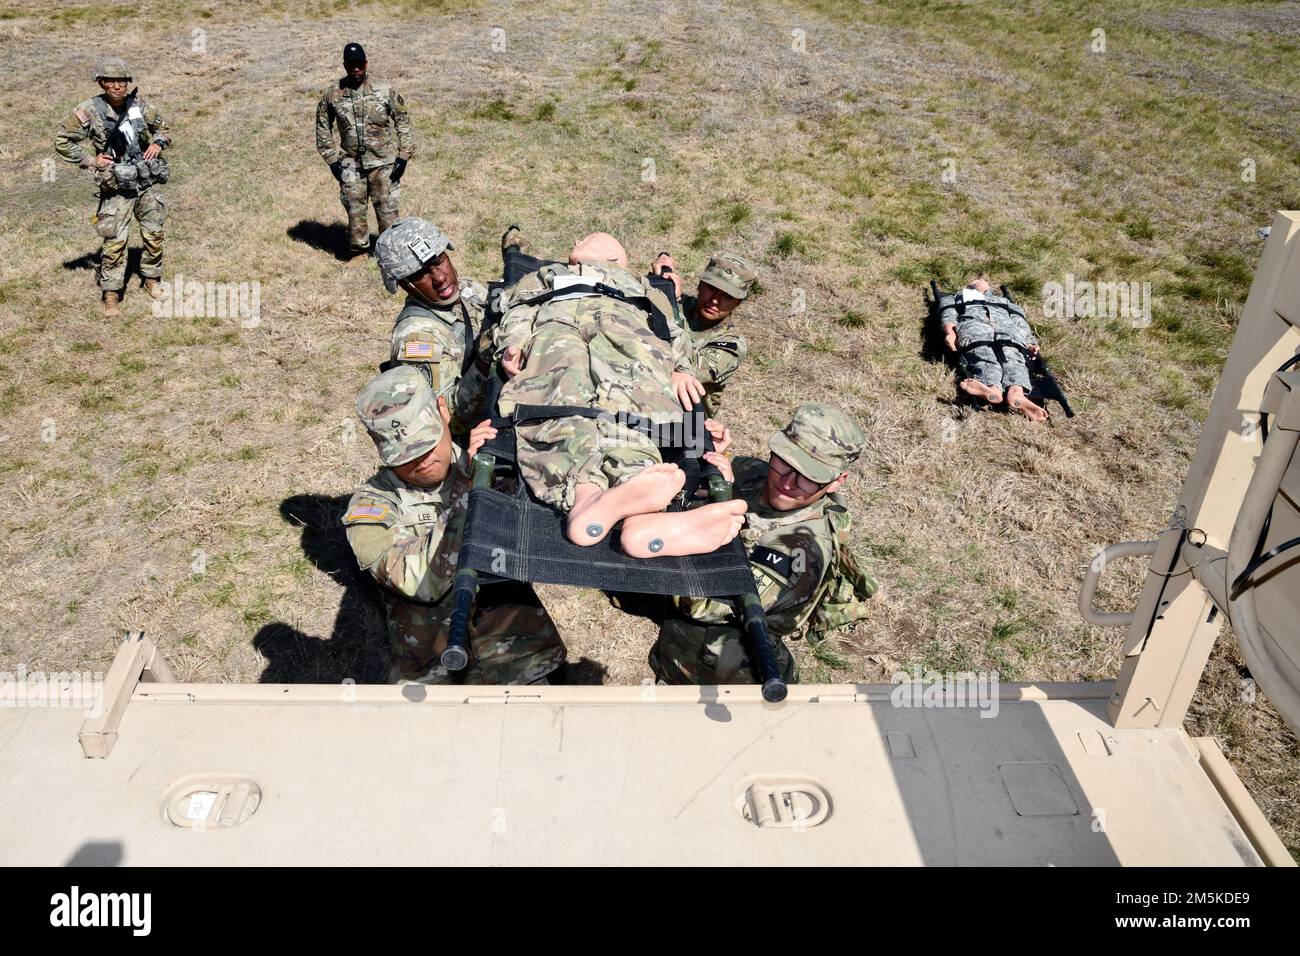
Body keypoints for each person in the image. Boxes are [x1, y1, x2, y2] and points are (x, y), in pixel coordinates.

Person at [492, 231, 748, 557]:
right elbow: (518, 310)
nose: (575, 242)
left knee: (639, 407)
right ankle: (590, 499)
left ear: (615, 258)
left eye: (583, 240)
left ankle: (637, 518)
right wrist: (513, 343)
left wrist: (680, 367)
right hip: (558, 328)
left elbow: (669, 330)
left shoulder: (640, 285)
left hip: (629, 336)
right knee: (559, 395)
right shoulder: (546, 275)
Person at [344, 365, 566, 684]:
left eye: (426, 443)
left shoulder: (491, 461)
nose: (421, 462)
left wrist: (509, 458)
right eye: (403, 456)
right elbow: (418, 582)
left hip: (522, 657)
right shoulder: (371, 508)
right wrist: (477, 490)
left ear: (442, 410)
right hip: (435, 676)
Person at [650, 402, 879, 684]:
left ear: (836, 482)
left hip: (730, 683)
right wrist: (702, 454)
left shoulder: (802, 551)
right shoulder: (753, 472)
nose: (788, 482)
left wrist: (712, 506)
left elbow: (700, 601)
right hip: (681, 653)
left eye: (809, 476)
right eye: (786, 461)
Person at [54, 56, 171, 317]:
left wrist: (158, 142)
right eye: (111, 81)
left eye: (122, 81)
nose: (118, 86)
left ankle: (152, 278)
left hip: (145, 182)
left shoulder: (139, 104)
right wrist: (89, 160)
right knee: (115, 241)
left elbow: (163, 128)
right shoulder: (89, 110)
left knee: (154, 234)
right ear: (102, 83)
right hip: (116, 185)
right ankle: (111, 293)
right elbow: (62, 140)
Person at [374, 218, 490, 437]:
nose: (439, 278)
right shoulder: (418, 341)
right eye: (420, 275)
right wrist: (486, 359)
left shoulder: (467, 290)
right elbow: (448, 419)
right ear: (403, 284)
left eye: (439, 261)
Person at [315, 42, 414, 258]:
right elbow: (323, 126)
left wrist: (403, 156)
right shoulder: (333, 93)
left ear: (366, 64)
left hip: (384, 163)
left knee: (387, 210)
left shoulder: (384, 90)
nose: (356, 69)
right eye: (351, 65)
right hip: (351, 164)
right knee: (354, 211)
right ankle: (359, 252)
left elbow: (403, 120)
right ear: (345, 66)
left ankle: (391, 253)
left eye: (359, 64)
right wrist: (332, 160)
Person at [651, 251, 757, 414]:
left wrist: (670, 305)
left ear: (738, 302)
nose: (715, 300)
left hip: (684, 420)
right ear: (700, 284)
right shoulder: (678, 301)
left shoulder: (731, 343)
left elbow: (686, 371)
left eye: (728, 296)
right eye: (712, 288)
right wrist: (658, 280)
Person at [940, 279, 1048, 422]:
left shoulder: (1003, 301)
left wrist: (1029, 342)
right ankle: (993, 389)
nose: (979, 282)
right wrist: (951, 333)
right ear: (969, 286)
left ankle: (1016, 393)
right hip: (974, 323)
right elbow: (947, 314)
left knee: (1014, 358)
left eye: (981, 280)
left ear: (989, 287)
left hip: (1007, 330)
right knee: (983, 353)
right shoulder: (958, 297)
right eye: (975, 281)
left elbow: (1020, 320)